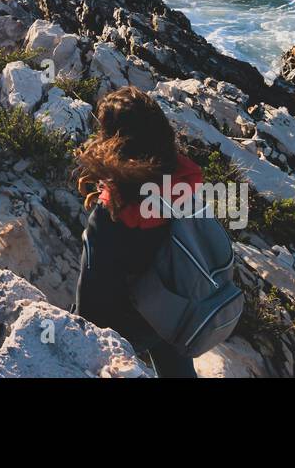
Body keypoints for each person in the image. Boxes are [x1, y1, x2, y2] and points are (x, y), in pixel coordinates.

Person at [73, 86, 201, 378]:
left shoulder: (110, 217)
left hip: (128, 326)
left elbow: (90, 306)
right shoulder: (185, 186)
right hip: (174, 310)